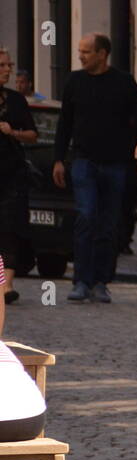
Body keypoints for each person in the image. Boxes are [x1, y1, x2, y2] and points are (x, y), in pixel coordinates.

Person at [52, 33, 137, 304]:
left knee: (108, 223)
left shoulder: (123, 82)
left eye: (86, 51)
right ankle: (81, 281)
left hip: (116, 164)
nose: (81, 56)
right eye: (79, 51)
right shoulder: (75, 81)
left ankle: (101, 281)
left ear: (102, 54)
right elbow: (65, 123)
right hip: (84, 161)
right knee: (86, 216)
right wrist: (58, 159)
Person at [0, 48, 38, 304]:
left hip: (11, 174)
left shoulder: (15, 100)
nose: (8, 70)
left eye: (9, 65)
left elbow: (33, 134)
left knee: (10, 229)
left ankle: (7, 286)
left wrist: (12, 132)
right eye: (3, 65)